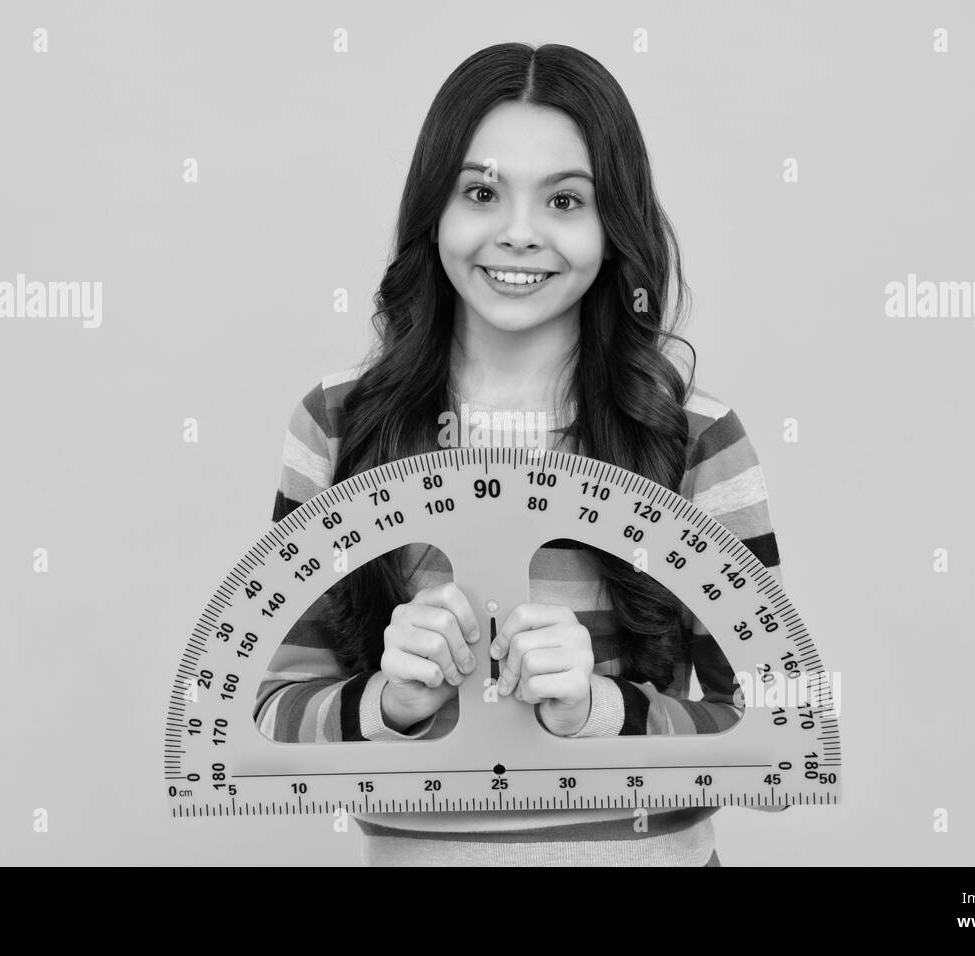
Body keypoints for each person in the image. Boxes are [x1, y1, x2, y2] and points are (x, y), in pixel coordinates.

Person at [254, 42, 788, 866]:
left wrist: (599, 710)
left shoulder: (694, 435)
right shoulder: (335, 422)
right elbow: (270, 717)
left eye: (566, 201)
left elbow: (770, 728)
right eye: (480, 193)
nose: (518, 235)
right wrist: (390, 703)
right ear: (434, 211)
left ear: (615, 230)